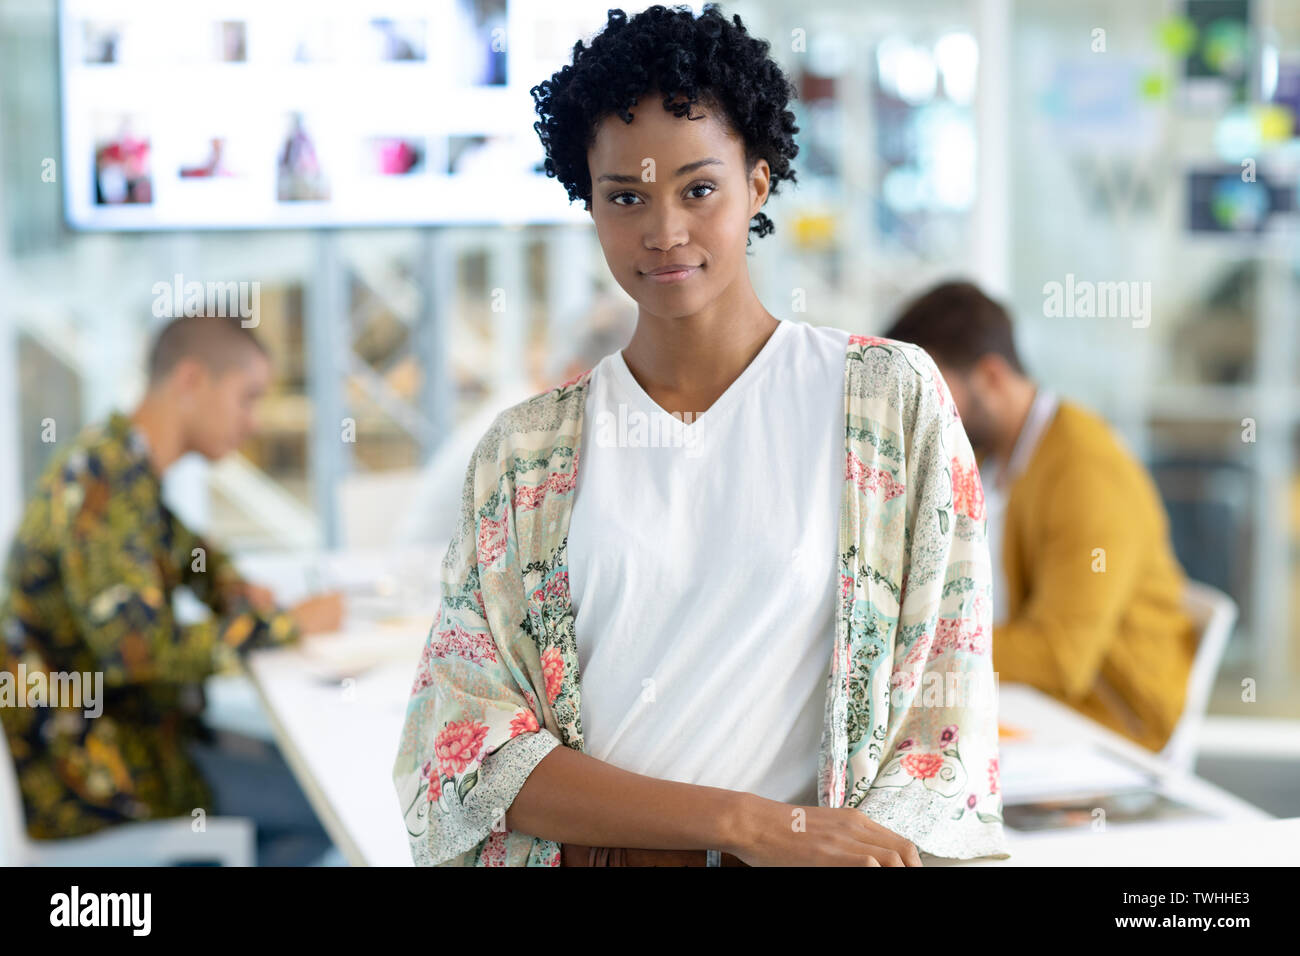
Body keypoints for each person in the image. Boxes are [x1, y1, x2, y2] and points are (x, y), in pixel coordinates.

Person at [392, 5, 1008, 867]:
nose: (664, 230)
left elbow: (946, 715)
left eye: (699, 188)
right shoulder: (524, 456)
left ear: (758, 183)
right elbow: (461, 749)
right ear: (589, 200)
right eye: (626, 197)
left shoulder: (887, 404)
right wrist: (744, 824)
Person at [0, 314, 344, 864]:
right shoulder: (102, 486)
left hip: (134, 736)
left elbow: (193, 558)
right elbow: (142, 652)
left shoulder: (120, 464)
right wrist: (287, 625)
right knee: (329, 801)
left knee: (311, 781)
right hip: (96, 768)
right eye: (247, 398)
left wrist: (234, 592)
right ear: (190, 381)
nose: (253, 422)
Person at [882, 280, 1199, 753]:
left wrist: (911, 654)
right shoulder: (993, 458)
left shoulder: (1084, 470)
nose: (923, 415)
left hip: (1111, 724)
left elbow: (1060, 657)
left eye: (933, 394)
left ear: (990, 377)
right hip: (1024, 703)